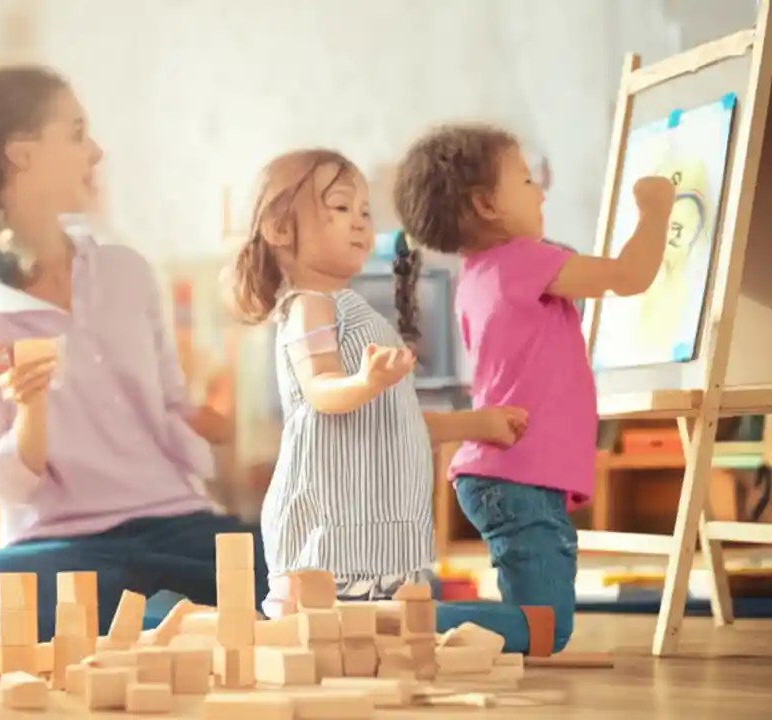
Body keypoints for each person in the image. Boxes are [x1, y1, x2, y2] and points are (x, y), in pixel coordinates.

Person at [0, 64, 264, 646]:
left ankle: (146, 621)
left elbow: (172, 413)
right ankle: (163, 619)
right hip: (61, 547)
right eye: (74, 133)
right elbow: (10, 487)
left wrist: (220, 412)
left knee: (321, 573)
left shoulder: (127, 273)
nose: (94, 151)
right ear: (22, 155)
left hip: (180, 525)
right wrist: (31, 409)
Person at [230, 147, 571, 654]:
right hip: (334, 532)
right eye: (341, 208)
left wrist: (477, 425)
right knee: (367, 636)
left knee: (389, 636)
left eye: (365, 211)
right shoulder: (308, 307)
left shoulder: (352, 310)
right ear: (281, 229)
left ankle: (530, 630)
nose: (360, 223)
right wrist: (366, 381)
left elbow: (395, 422)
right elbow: (322, 392)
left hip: (377, 529)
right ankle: (531, 630)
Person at [393, 123, 673, 653]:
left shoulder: (481, 272)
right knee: (546, 631)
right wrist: (655, 208)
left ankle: (415, 620)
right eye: (524, 180)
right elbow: (630, 276)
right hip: (515, 479)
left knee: (536, 623)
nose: (540, 191)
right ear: (486, 205)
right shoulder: (523, 261)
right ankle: (403, 618)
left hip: (505, 476)